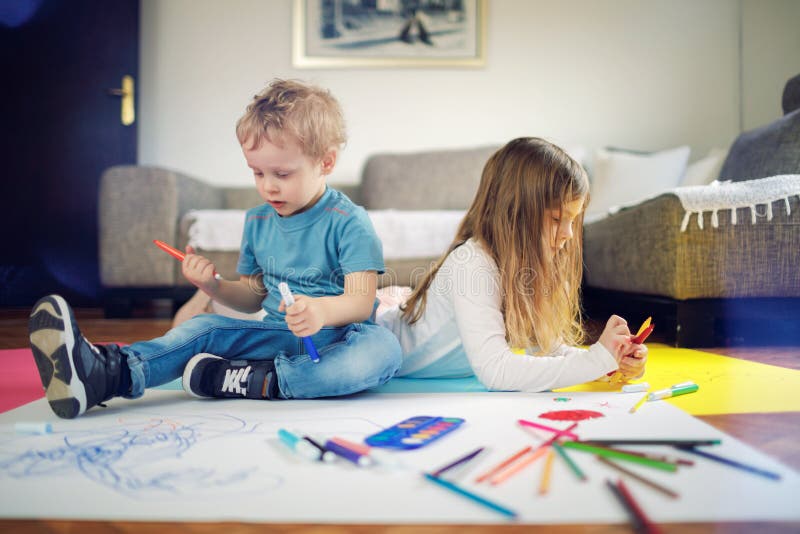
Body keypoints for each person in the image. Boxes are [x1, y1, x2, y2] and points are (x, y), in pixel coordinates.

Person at [28, 79, 403, 419]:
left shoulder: (349, 220)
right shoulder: (258, 221)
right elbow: (254, 297)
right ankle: (108, 372)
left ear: (326, 163)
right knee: (203, 327)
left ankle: (255, 381)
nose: (268, 187)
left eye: (282, 174)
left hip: (340, 339)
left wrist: (320, 310)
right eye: (257, 173)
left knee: (383, 351)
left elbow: (360, 301)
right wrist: (213, 287)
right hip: (276, 336)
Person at [376, 137, 648, 391]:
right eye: (557, 219)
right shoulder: (473, 264)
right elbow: (496, 371)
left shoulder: (532, 268)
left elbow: (548, 351)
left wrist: (611, 359)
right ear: (514, 214)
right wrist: (596, 362)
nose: (569, 233)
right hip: (379, 332)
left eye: (573, 221)